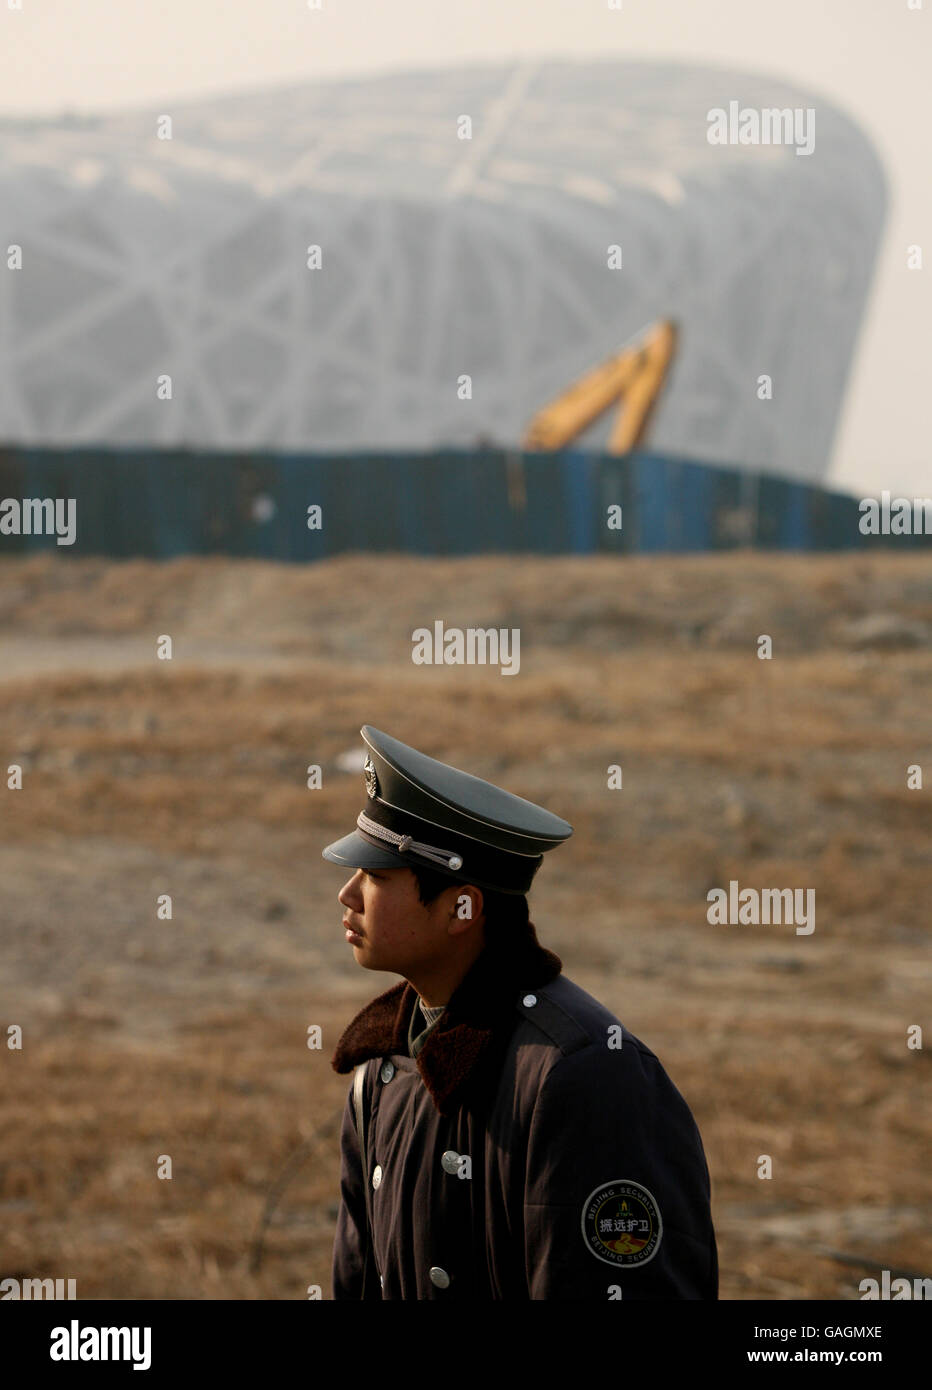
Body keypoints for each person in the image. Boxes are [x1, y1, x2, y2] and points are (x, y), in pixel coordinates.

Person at [324, 725, 718, 1300]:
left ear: (463, 907)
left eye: (378, 877)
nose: (348, 895)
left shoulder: (586, 1074)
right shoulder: (380, 1069)